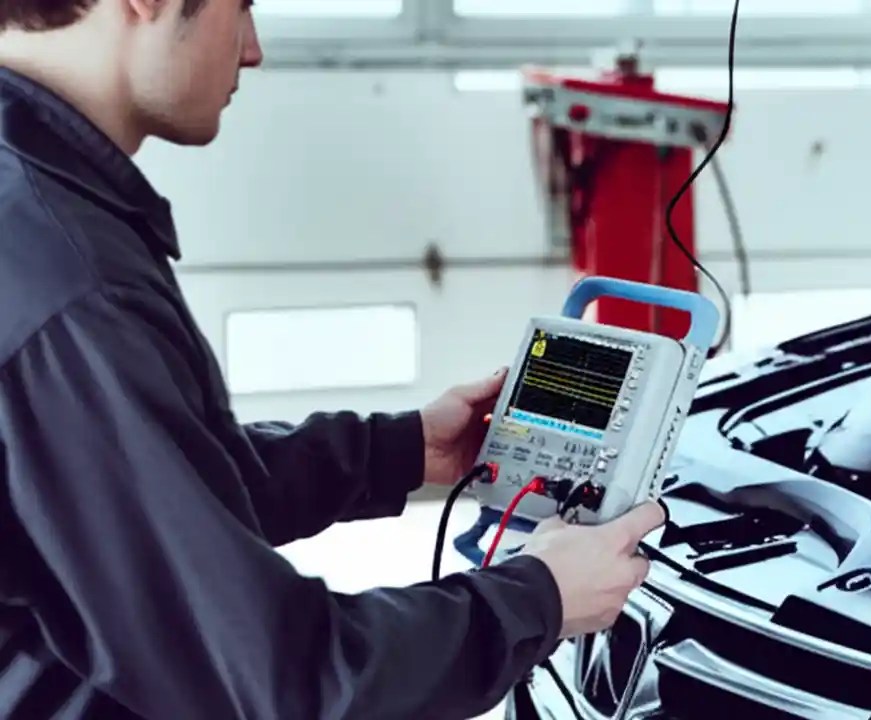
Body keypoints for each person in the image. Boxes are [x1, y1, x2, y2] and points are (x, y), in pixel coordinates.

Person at [0, 0, 666, 718]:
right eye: (243, 7)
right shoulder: (73, 281)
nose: (252, 50)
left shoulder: (37, 206)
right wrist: (538, 597)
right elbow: (285, 681)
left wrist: (400, 449)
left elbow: (139, 506)